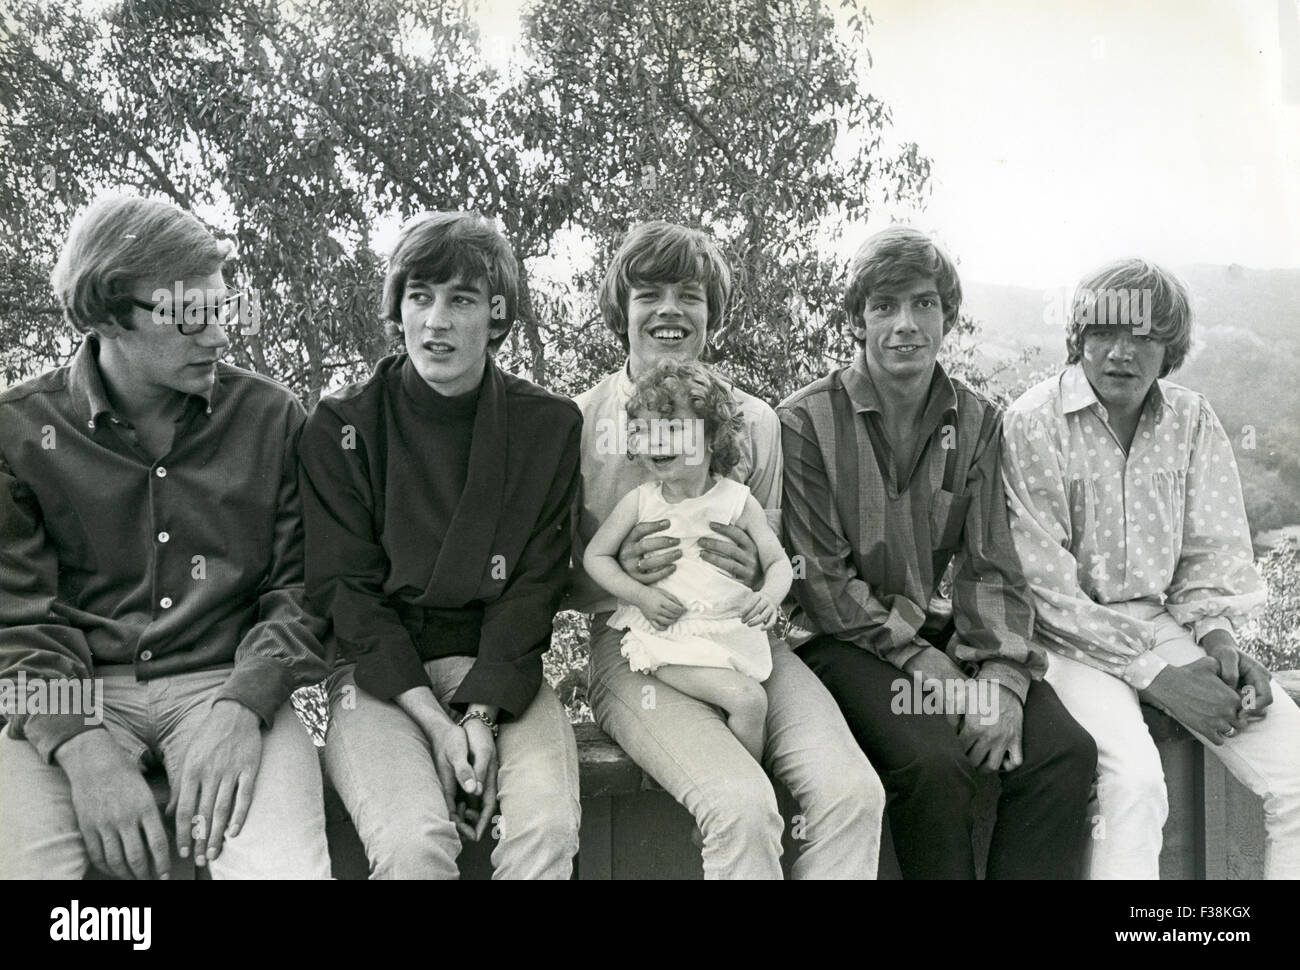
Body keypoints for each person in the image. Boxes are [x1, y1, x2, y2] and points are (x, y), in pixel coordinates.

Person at [0, 195, 331, 879]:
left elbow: (301, 589)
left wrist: (247, 705)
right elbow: (14, 619)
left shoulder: (272, 419)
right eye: (191, 316)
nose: (219, 336)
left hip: (227, 683)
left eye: (223, 310)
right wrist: (81, 748)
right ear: (108, 314)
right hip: (72, 690)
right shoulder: (18, 431)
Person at [778, 226, 1097, 879]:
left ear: (947, 316)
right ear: (858, 318)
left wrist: (1004, 682)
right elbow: (827, 586)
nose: (906, 324)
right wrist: (940, 678)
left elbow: (992, 565)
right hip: (839, 643)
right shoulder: (804, 422)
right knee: (934, 761)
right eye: (885, 306)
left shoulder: (977, 422)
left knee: (1062, 751)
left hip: (933, 626)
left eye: (924, 304)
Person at [571, 220, 886, 879]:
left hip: (744, 642)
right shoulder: (576, 423)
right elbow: (548, 581)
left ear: (711, 315)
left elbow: (781, 566)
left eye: (689, 295)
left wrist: (762, 576)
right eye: (647, 294)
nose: (668, 311)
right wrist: (616, 577)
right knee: (741, 806)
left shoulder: (754, 421)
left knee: (853, 795)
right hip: (637, 650)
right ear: (619, 310)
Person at [299, 210, 582, 879]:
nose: (437, 321)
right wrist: (436, 725)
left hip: (498, 664)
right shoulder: (343, 424)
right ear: (398, 308)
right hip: (376, 677)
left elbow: (536, 584)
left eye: (462, 300)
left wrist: (480, 714)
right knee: (412, 843)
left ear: (496, 315)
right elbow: (346, 590)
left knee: (543, 829)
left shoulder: (547, 425)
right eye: (420, 297)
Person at [1001, 258, 1300, 879]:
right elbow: (1045, 591)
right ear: (1078, 337)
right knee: (1135, 786)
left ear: (1170, 349)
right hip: (1066, 639)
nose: (1121, 353)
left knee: (1297, 770)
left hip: (1162, 623)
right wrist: (1160, 679)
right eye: (1105, 334)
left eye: (1144, 338)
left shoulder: (1191, 420)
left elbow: (1208, 553)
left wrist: (1218, 641)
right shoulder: (1034, 422)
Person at [584, 359, 794, 761]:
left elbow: (778, 563)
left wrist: (769, 597)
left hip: (727, 632)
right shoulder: (641, 501)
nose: (657, 441)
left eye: (675, 429)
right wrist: (640, 597)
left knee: (737, 706)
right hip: (666, 637)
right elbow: (597, 556)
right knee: (749, 702)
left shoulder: (737, 500)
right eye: (645, 431)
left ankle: (737, 795)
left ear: (713, 437)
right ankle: (745, 792)